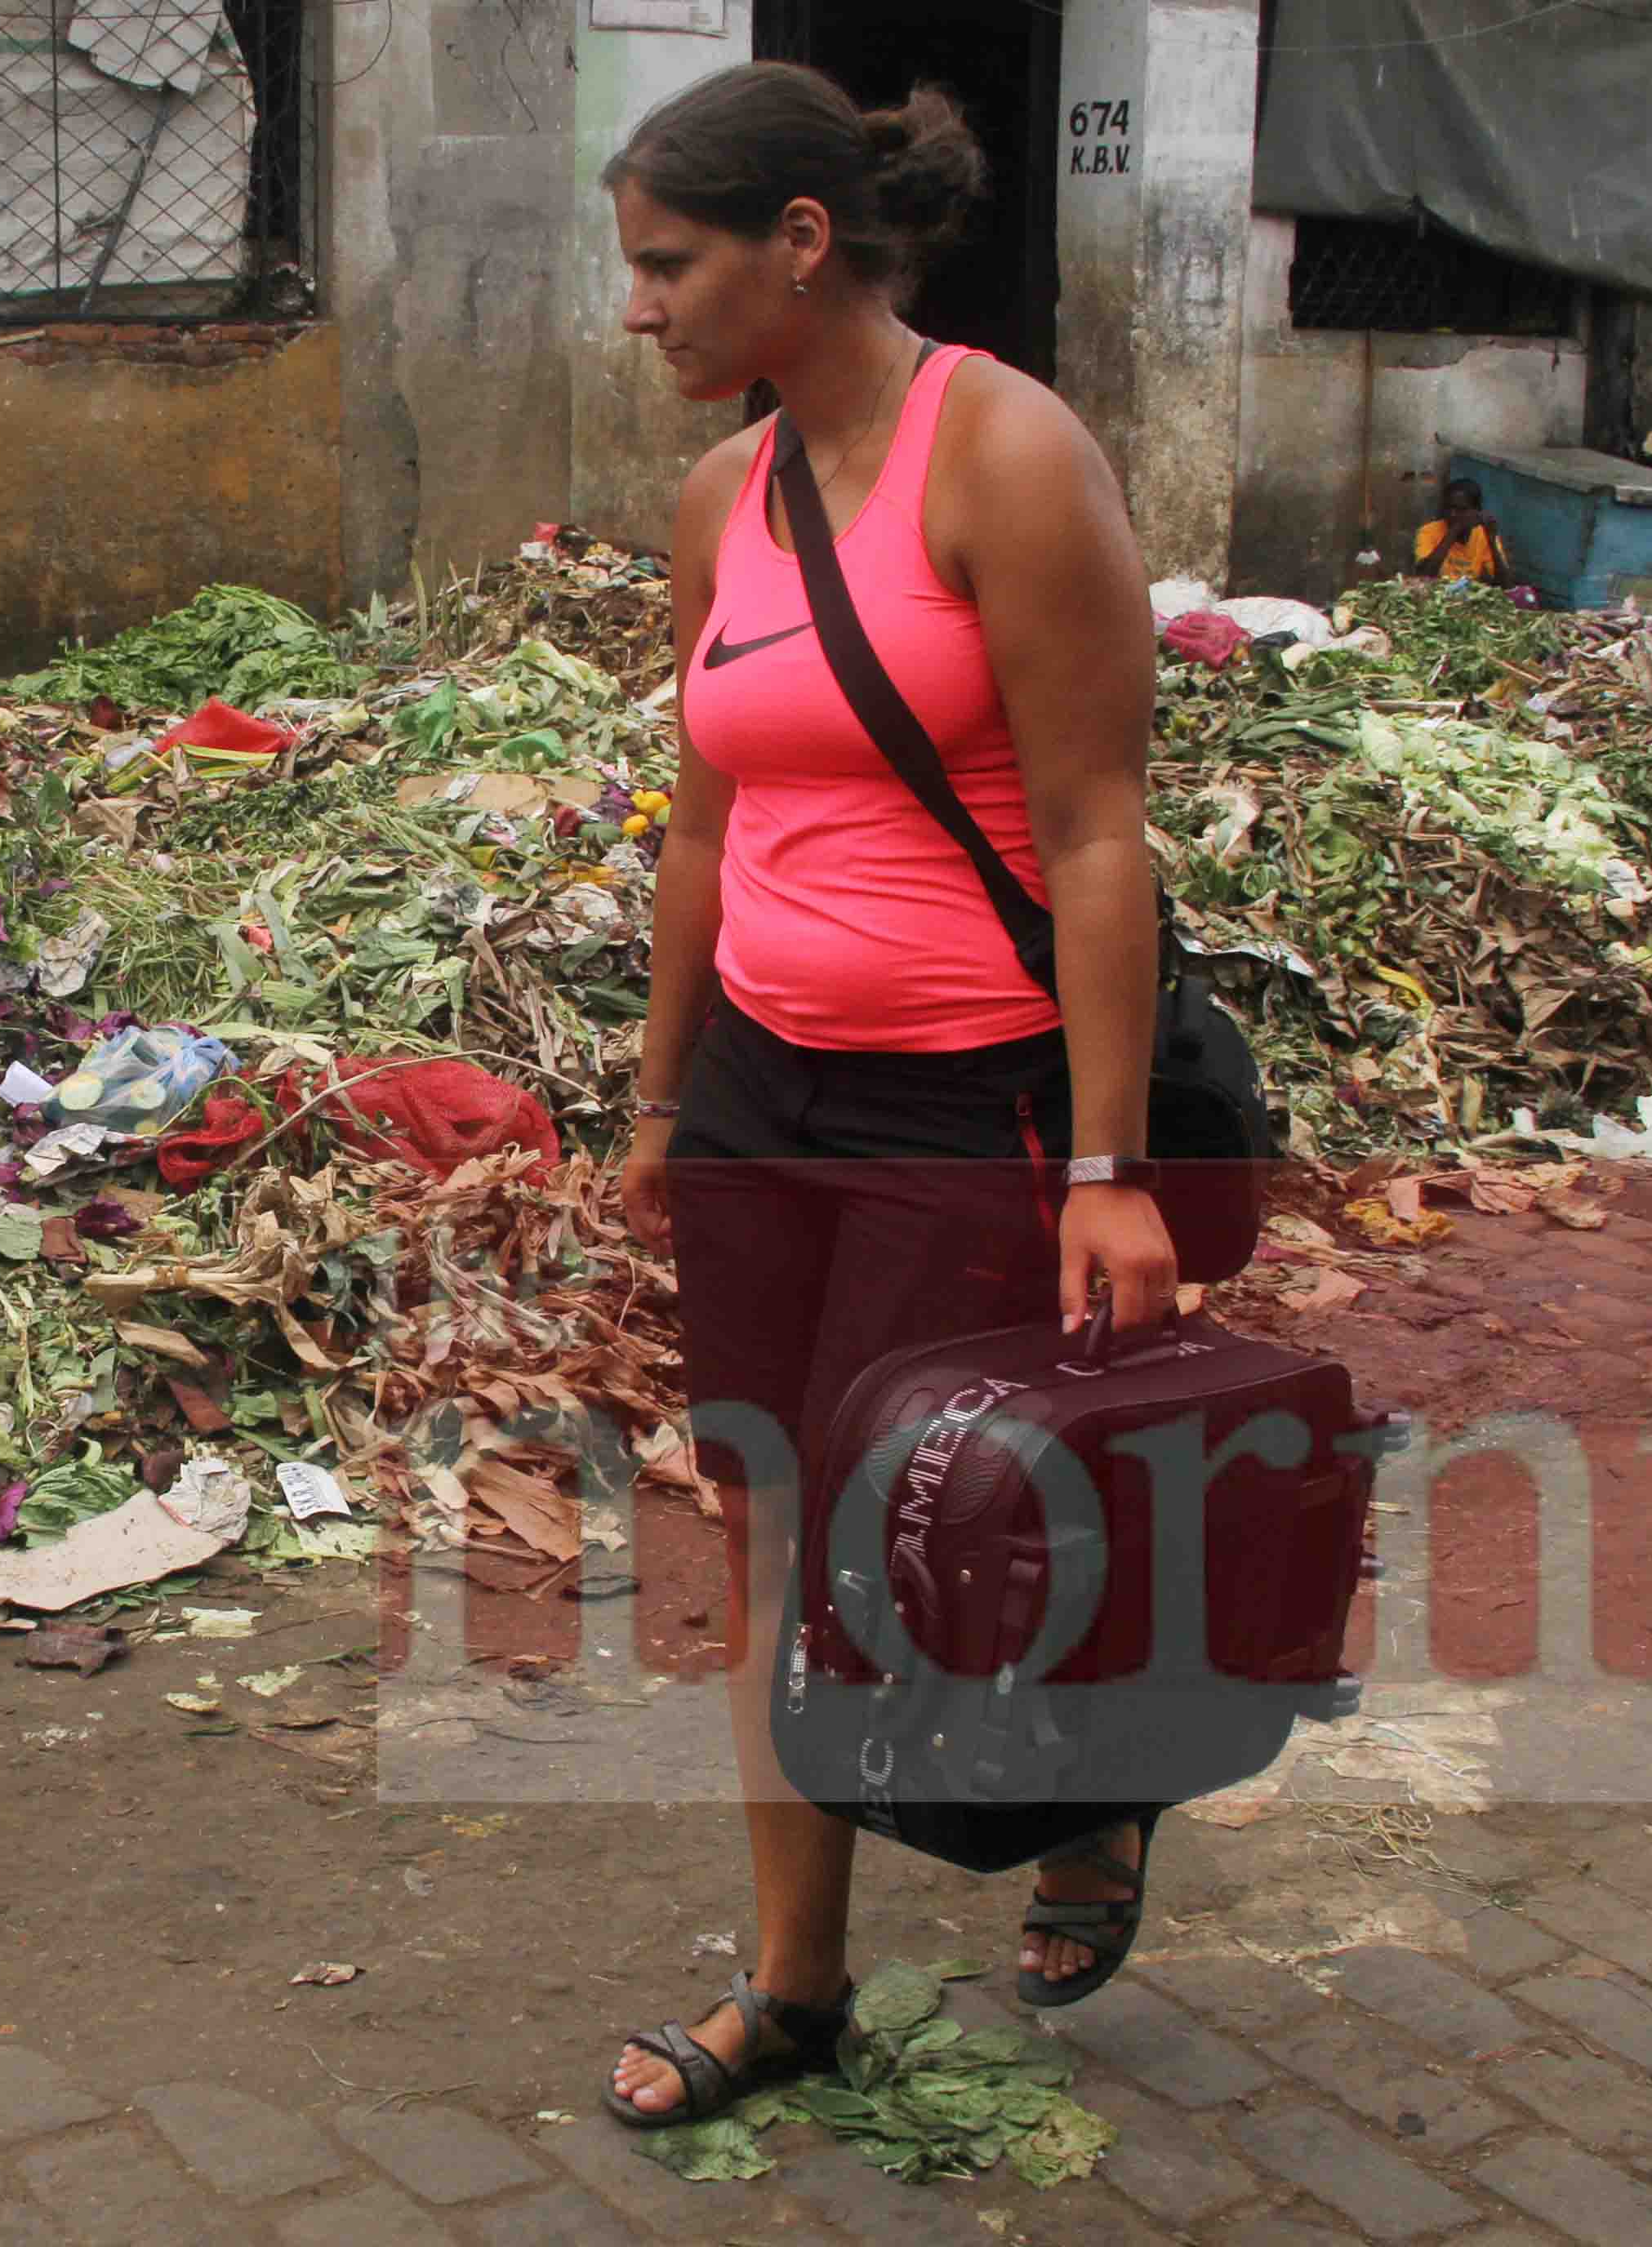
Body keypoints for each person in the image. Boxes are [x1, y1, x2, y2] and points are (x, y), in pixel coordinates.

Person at [596, 64, 1178, 2124]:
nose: (641, 311)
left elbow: (1101, 835)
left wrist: (1108, 1166)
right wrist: (664, 1104)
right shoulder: (713, 504)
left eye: (669, 267)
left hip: (975, 1101)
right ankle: (798, 1986)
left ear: (802, 246)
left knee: (934, 1540)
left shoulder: (1002, 455)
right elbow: (701, 820)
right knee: (767, 1521)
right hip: (768, 1086)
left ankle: (1093, 1790)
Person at [1406, 477, 1511, 584]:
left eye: (1461, 510)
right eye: (1449, 508)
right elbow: (1423, 576)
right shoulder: (1428, 532)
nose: (1452, 514)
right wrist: (1455, 530)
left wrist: (1492, 542)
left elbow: (1505, 584)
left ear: (1476, 511)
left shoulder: (1483, 535)